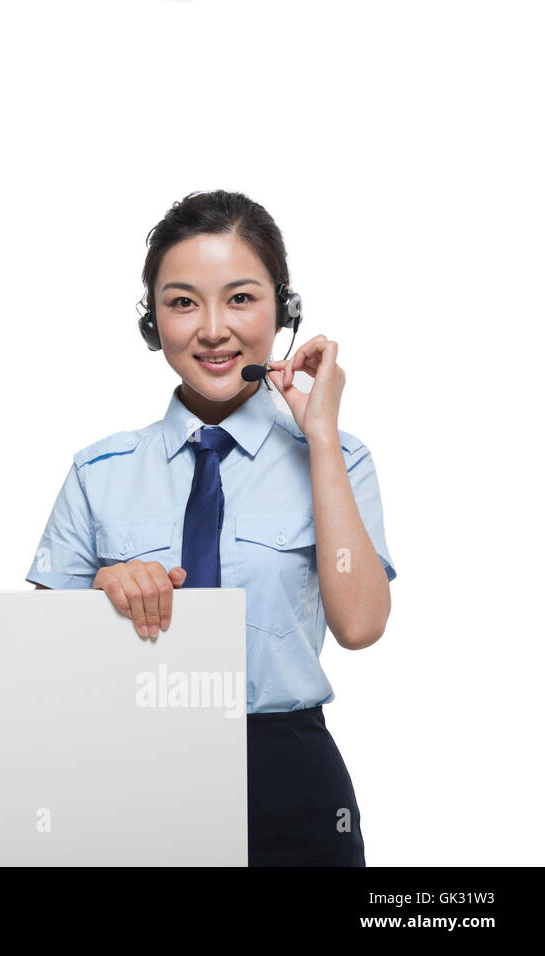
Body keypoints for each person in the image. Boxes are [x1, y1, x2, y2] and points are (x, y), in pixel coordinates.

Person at [24, 189, 395, 866]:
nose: (214, 328)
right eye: (183, 301)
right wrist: (103, 586)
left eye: (242, 298)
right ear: (152, 321)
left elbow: (362, 625)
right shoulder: (98, 471)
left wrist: (319, 439)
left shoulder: (338, 459)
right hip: (128, 768)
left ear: (284, 311)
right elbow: (39, 668)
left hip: (288, 778)